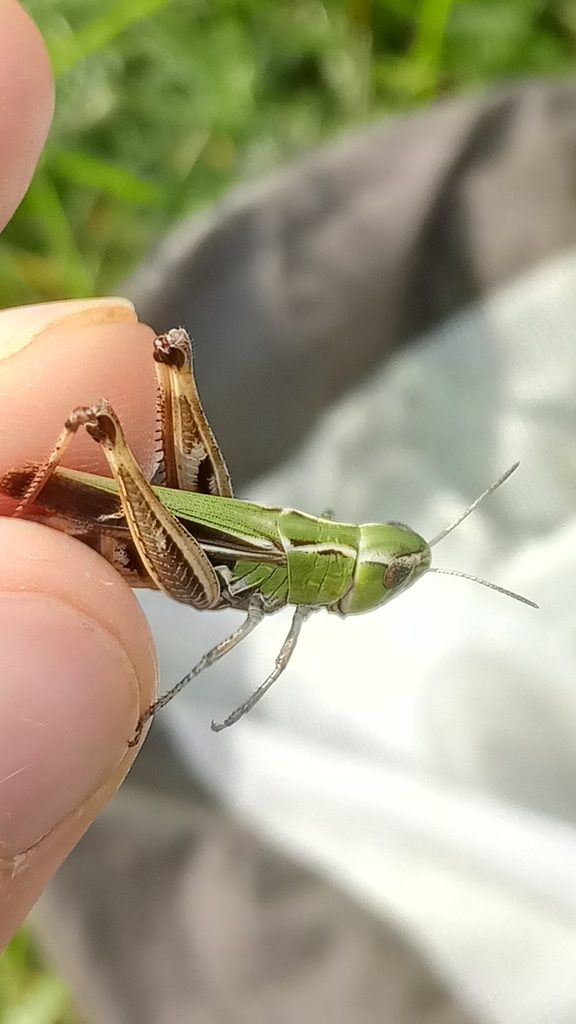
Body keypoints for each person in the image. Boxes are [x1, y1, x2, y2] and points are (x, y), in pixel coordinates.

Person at [5, 2, 576, 1021]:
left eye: (393, 573)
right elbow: (243, 644)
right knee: (127, 387)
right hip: (176, 543)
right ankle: (39, 481)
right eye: (387, 574)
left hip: (191, 556)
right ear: (352, 564)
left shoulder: (322, 578)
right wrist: (168, 694)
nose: (382, 584)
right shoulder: (303, 579)